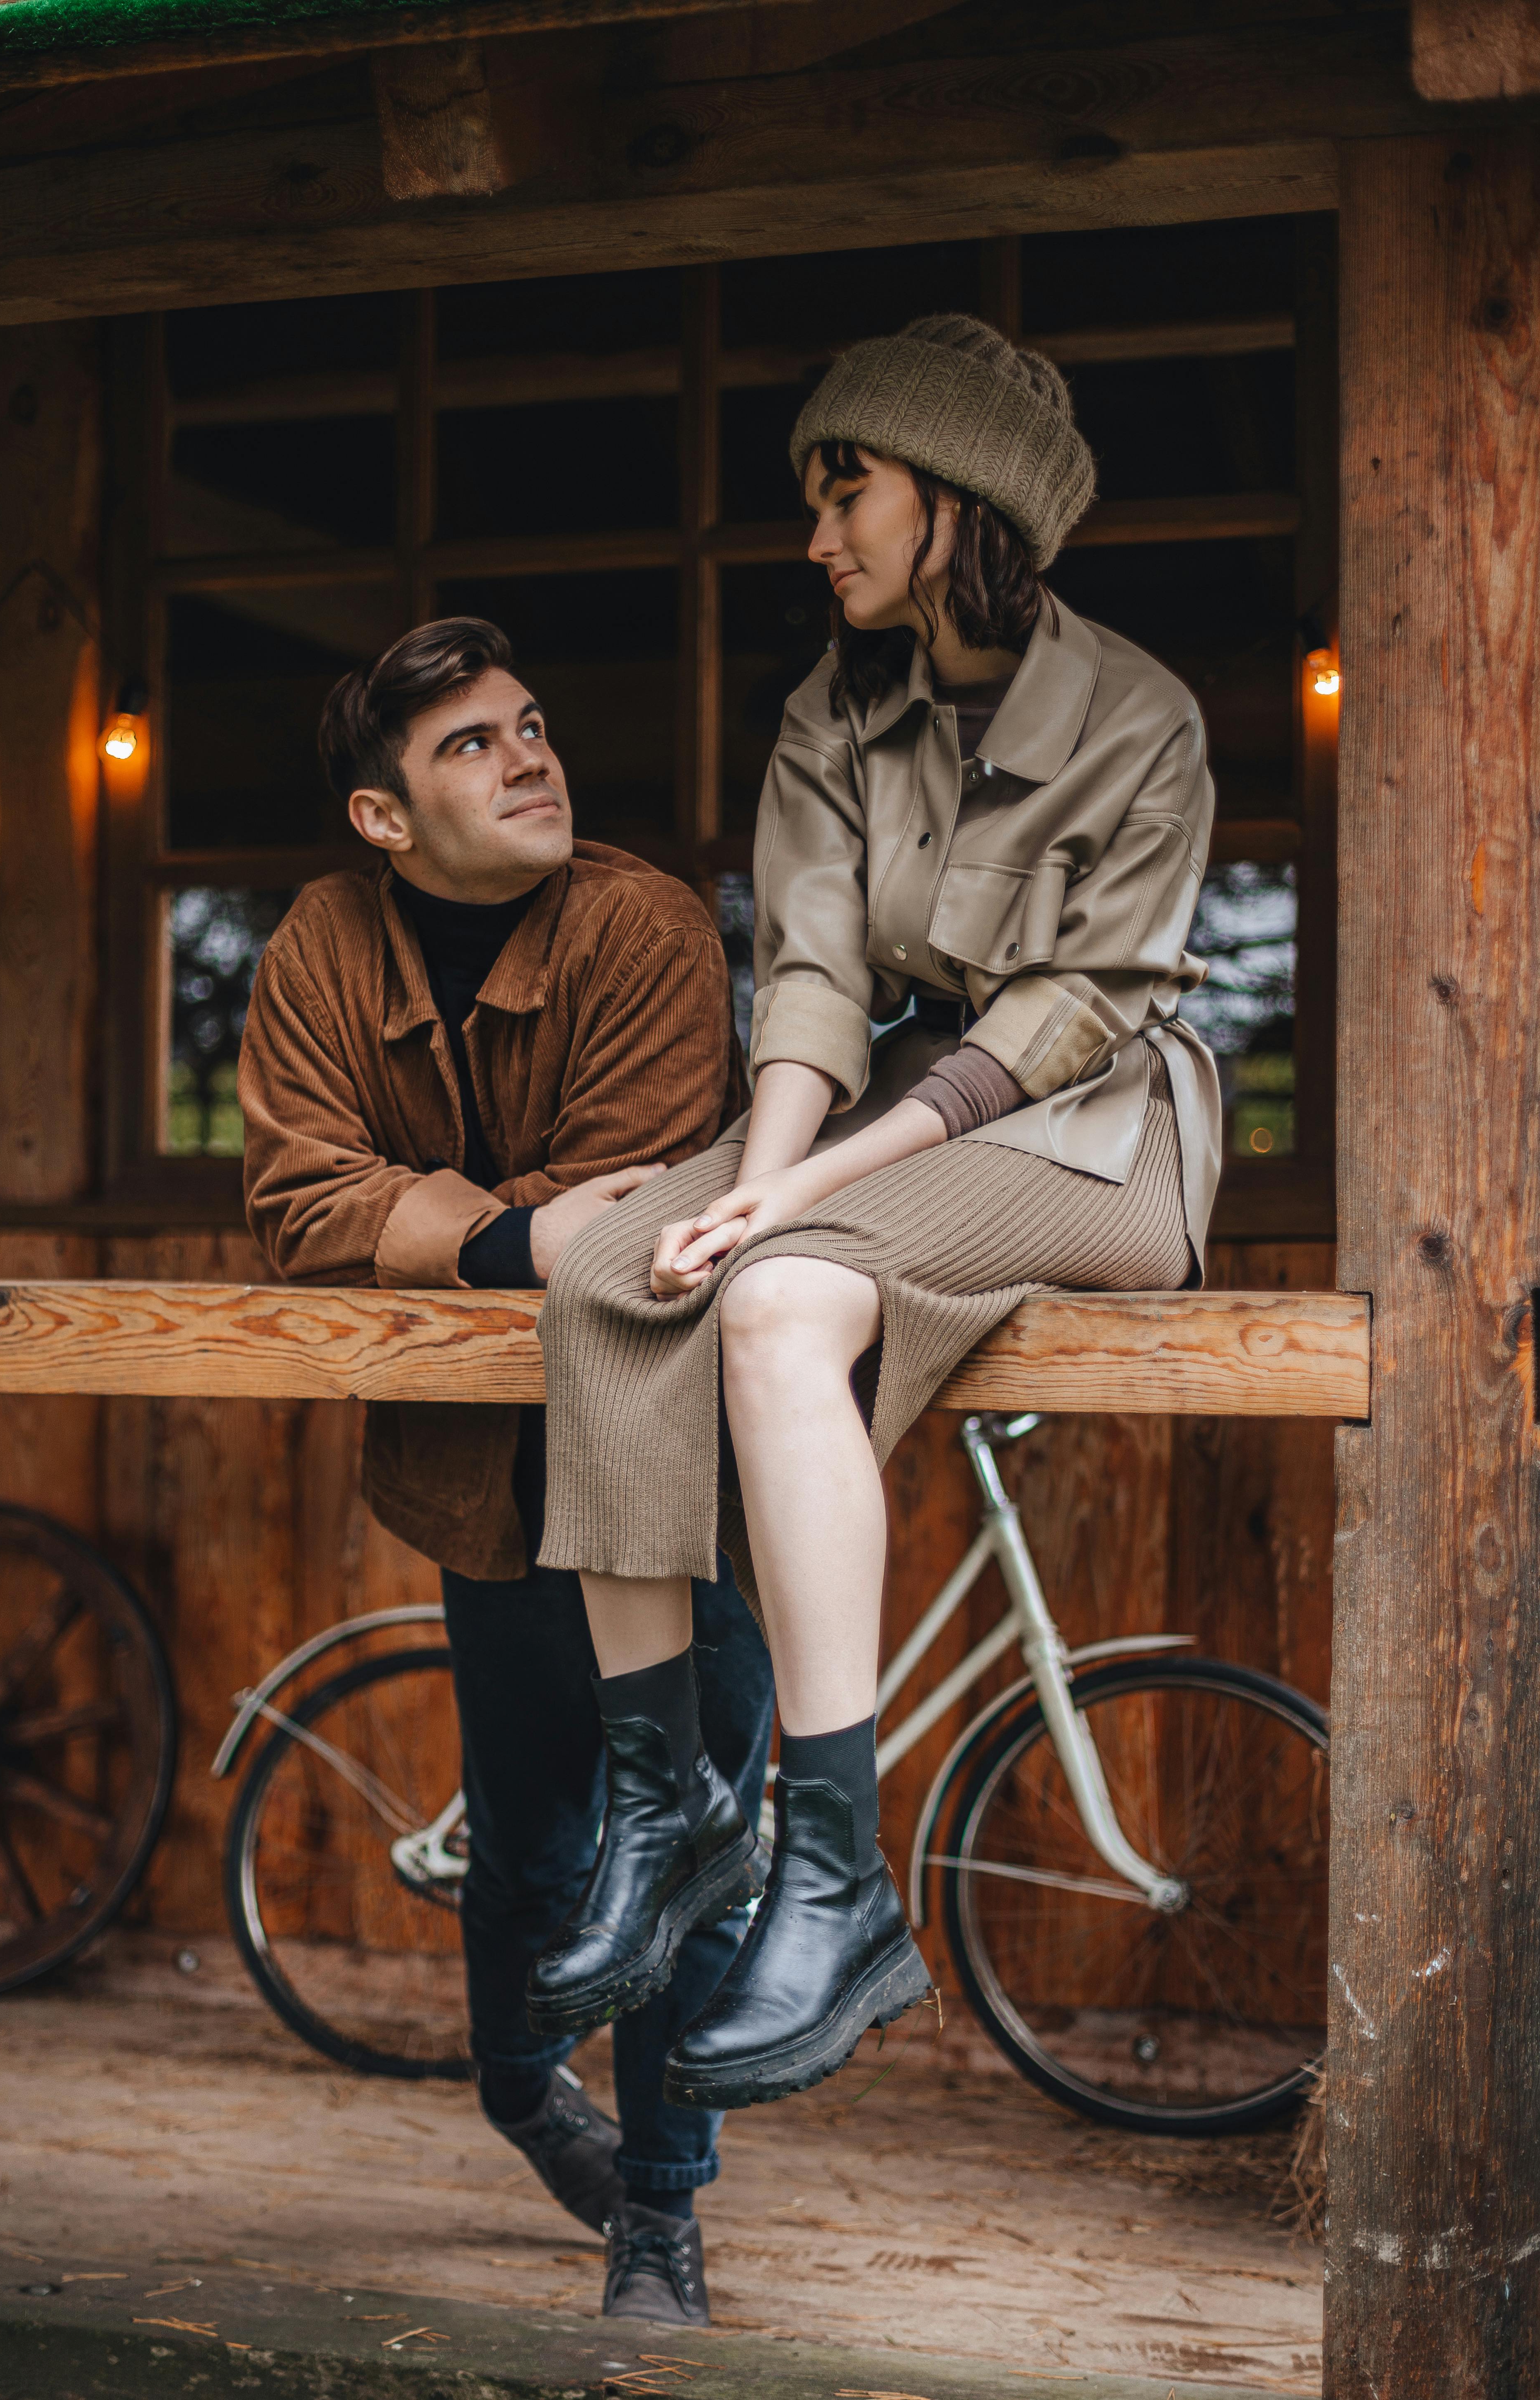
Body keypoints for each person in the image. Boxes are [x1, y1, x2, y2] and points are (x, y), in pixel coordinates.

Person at [530, 315, 1223, 2112]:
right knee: (613, 1271)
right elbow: (818, 985)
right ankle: (666, 1797)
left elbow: (1063, 1022)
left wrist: (791, 1208)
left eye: (847, 488)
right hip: (892, 1115)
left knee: (774, 1299)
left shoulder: (1142, 715)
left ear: (960, 494)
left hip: (1093, 1134)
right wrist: (757, 1173)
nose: (819, 531)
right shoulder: (835, 712)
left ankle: (837, 1879)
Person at [237, 616, 775, 2326]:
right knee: (536, 1842)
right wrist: (519, 1228)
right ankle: (523, 2085)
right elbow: (293, 1201)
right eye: (473, 742)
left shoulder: (648, 922)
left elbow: (645, 1205)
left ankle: (664, 2215)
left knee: (676, 1836)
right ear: (384, 815)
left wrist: (462, 1222)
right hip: (480, 1478)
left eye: (531, 723)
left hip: (677, 1475)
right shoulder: (324, 941)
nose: (530, 754)